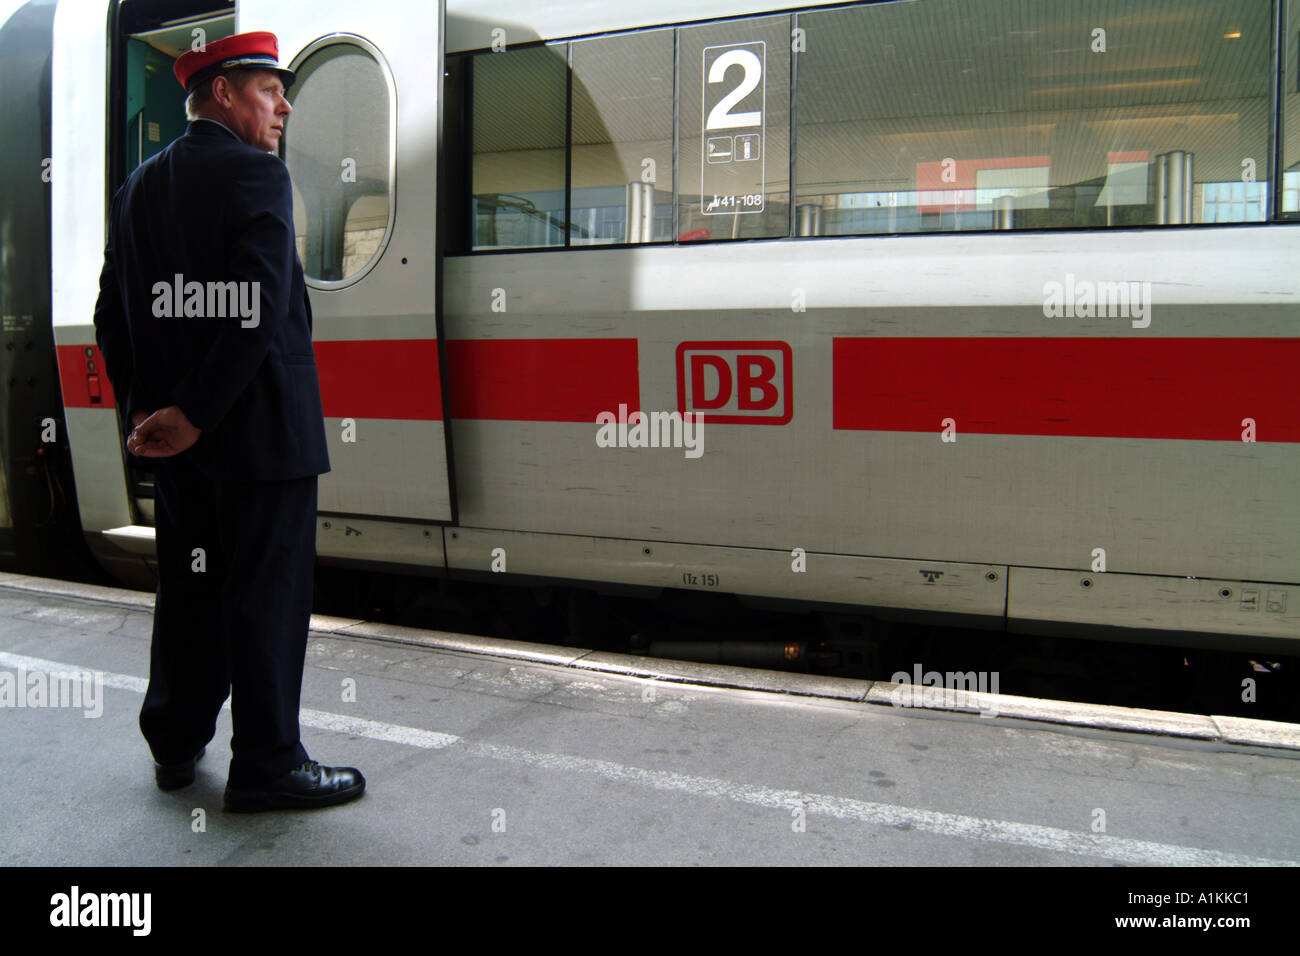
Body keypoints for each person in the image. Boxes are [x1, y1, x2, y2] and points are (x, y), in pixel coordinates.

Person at [92, 31, 364, 812]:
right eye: (269, 90)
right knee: (267, 596)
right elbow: (257, 308)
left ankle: (175, 744)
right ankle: (268, 763)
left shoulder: (142, 185)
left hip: (182, 450)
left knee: (191, 591)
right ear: (221, 93)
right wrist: (199, 413)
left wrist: (149, 409)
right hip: (261, 439)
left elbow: (114, 308)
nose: (285, 105)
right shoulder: (257, 175)